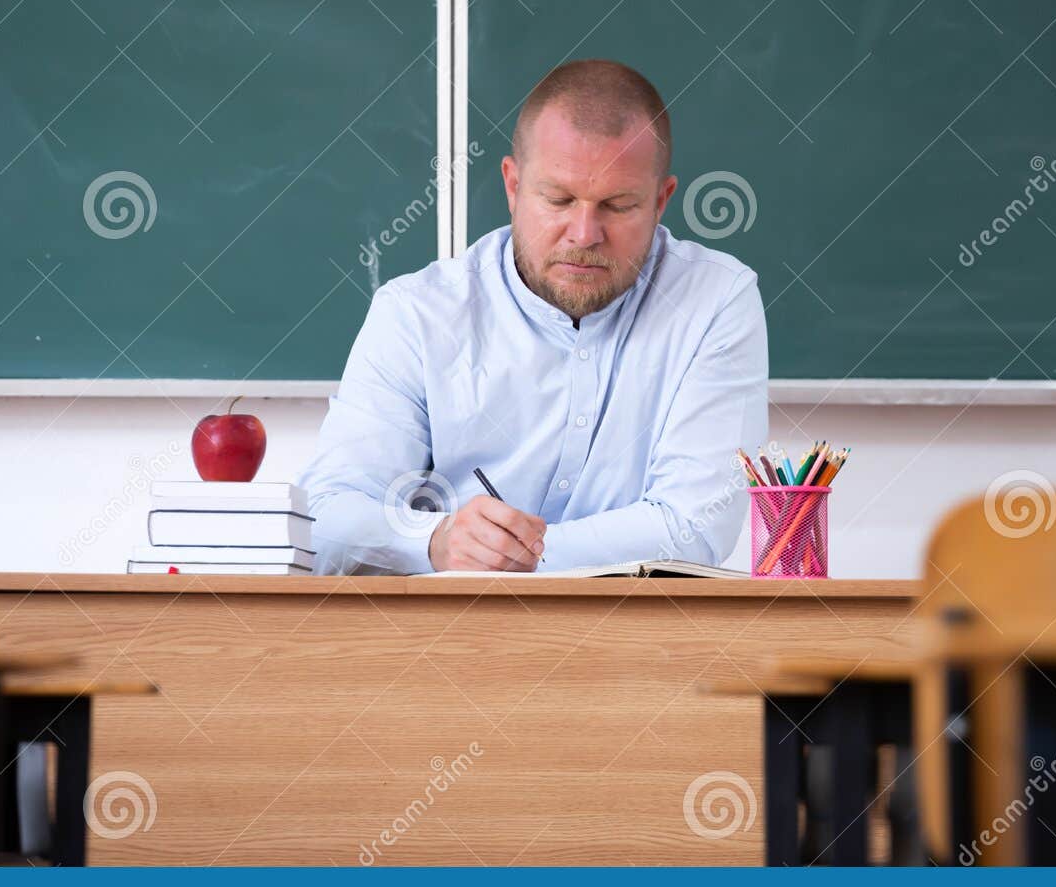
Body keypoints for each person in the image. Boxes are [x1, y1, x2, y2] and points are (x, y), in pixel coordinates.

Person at [304, 59, 768, 573]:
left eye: (618, 205)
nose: (584, 234)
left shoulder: (715, 300)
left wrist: (512, 558)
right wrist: (434, 540)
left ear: (661, 201)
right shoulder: (417, 314)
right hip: (451, 624)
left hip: (631, 625)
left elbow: (695, 526)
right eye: (558, 199)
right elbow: (325, 520)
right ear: (513, 185)